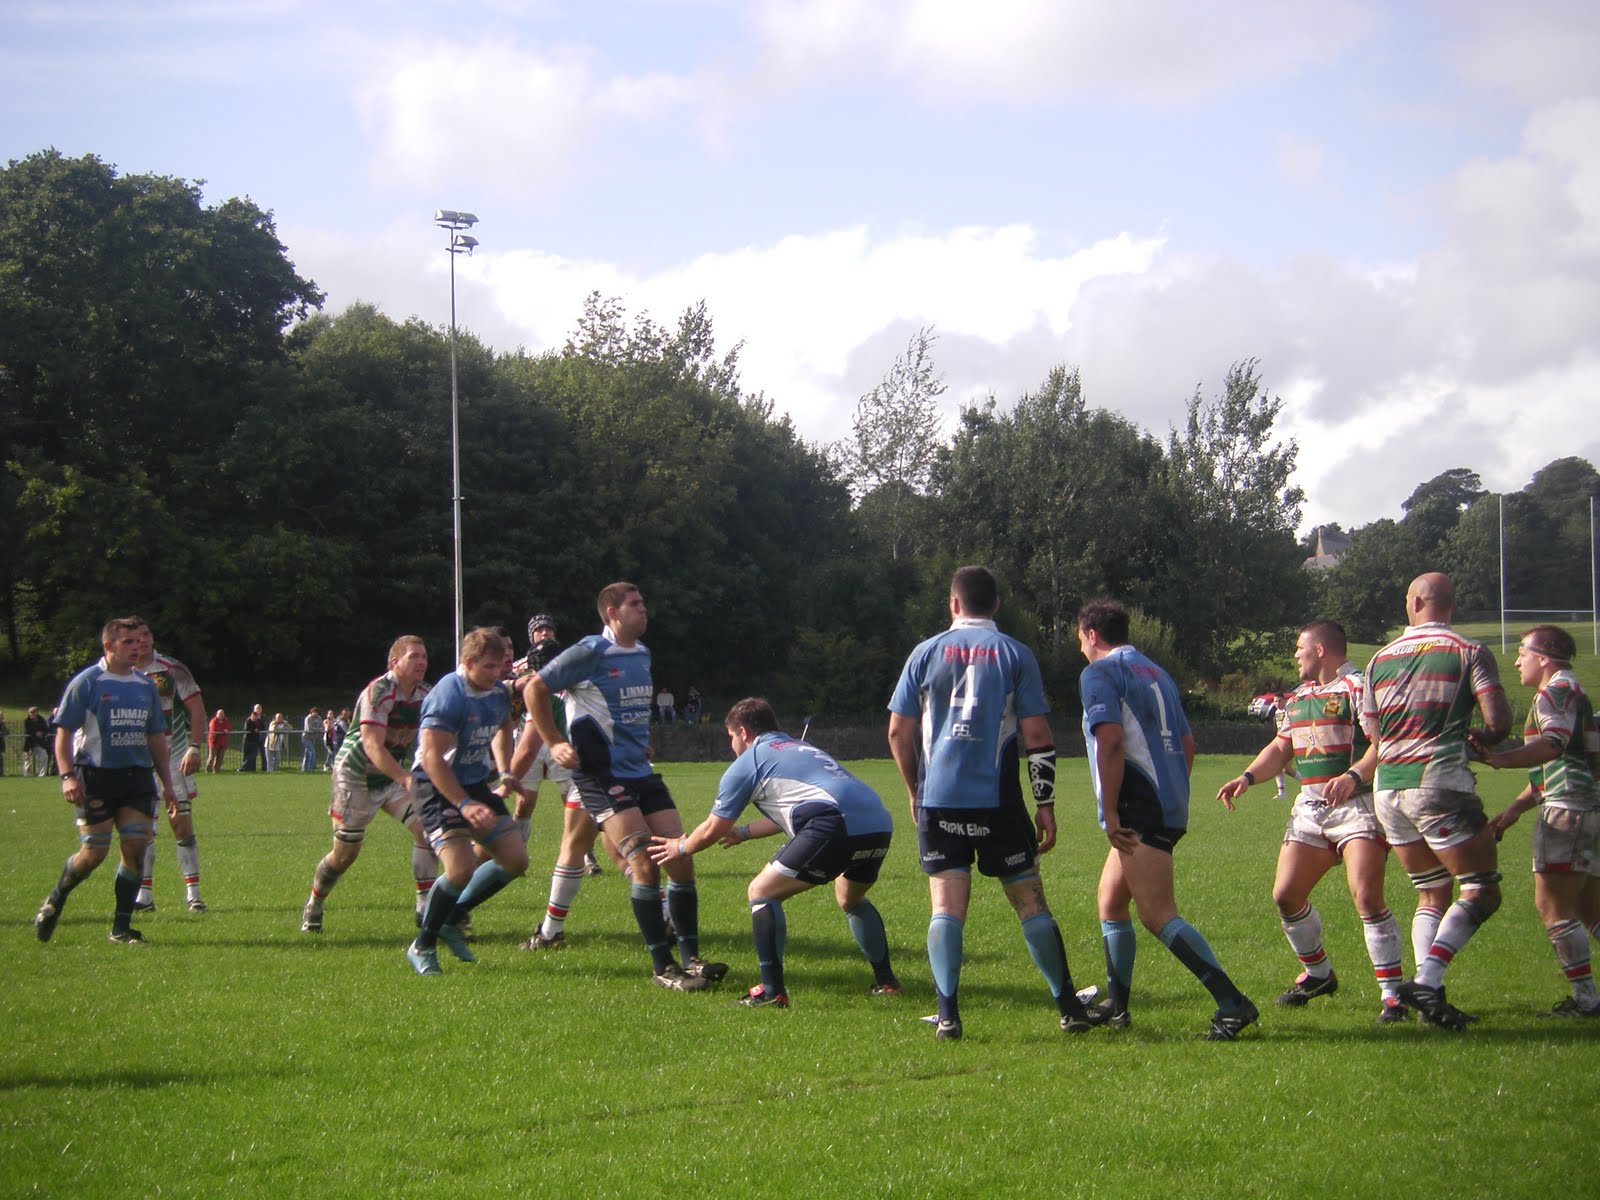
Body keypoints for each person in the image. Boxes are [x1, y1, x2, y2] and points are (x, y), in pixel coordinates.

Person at [887, 565, 1100, 1040]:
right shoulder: (1015, 654)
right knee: (1029, 900)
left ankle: (948, 1017)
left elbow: (898, 730)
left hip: (939, 800)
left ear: (953, 603)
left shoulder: (923, 654)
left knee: (945, 906)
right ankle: (1068, 1009)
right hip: (999, 801)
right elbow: (1038, 735)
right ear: (997, 605)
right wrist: (1044, 805)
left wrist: (914, 791)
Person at [512, 582, 726, 991]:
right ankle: (663, 968)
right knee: (643, 863)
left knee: (680, 857)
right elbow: (534, 687)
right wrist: (555, 741)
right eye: (635, 604)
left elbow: (625, 706)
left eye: (643, 603)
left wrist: (638, 736)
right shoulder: (590, 651)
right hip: (601, 776)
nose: (644, 610)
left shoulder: (642, 654)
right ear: (611, 612)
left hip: (640, 772)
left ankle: (691, 958)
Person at [1078, 598, 1258, 1039]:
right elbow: (1187, 743)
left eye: (1080, 638)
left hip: (1139, 806)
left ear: (1092, 634)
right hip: (1163, 800)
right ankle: (1118, 1009)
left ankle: (1232, 1003)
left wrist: (1110, 808)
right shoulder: (1157, 672)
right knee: (1111, 903)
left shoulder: (1099, 673)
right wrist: (1172, 793)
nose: (1080, 646)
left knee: (1157, 914)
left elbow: (1111, 743)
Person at [1217, 620, 1411, 1023]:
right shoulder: (1299, 696)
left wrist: (1354, 775)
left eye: (1299, 647)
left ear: (1320, 649)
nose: (1295, 654)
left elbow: (1385, 744)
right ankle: (1319, 975)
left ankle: (1394, 998)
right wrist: (1247, 777)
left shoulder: (1359, 687)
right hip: (1310, 808)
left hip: (1358, 806)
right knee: (1286, 895)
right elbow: (1281, 746)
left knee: (1366, 897)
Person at [651, 698, 899, 1007]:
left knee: (762, 891)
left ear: (742, 731)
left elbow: (713, 827)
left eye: (730, 737)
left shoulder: (749, 761)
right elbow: (796, 808)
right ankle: (887, 982)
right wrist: (743, 833)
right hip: (877, 823)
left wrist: (681, 846)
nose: (732, 744)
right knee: (850, 899)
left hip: (835, 824)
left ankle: (771, 992)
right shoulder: (799, 748)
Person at [1361, 572, 1511, 1030]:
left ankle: (1432, 999)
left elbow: (1372, 732)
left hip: (1387, 790)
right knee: (1481, 889)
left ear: (1415, 603)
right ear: (1450, 603)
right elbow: (1499, 720)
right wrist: (1481, 739)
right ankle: (1428, 979)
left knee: (1431, 891)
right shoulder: (1469, 652)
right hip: (1440, 785)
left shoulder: (1379, 659)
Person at [1478, 625, 1600, 1017]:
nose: (1516, 661)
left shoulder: (1554, 692)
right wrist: (1513, 809)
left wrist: (1496, 759)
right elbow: (1560, 765)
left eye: (1522, 652)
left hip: (1569, 810)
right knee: (1590, 910)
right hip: (1584, 806)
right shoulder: (1567, 691)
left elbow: (1553, 745)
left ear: (1543, 657)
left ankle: (1586, 1001)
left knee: (1551, 906)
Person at [33, 616, 178, 945]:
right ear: (108, 645)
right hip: (96, 777)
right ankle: (55, 900)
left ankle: (121, 928)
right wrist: (67, 776)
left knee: (136, 847)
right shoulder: (87, 682)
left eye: (138, 642)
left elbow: (156, 737)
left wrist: (167, 784)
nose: (136, 647)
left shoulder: (145, 686)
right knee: (93, 853)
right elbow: (63, 733)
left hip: (137, 778)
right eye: (128, 642)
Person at [406, 628, 529, 974]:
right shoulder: (449, 694)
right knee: (458, 868)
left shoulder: (495, 692)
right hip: (435, 784)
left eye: (500, 667)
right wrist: (463, 805)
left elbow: (504, 726)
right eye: (488, 667)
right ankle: (423, 943)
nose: (496, 675)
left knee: (516, 860)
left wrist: (504, 770)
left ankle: (452, 915)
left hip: (474, 784)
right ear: (468, 662)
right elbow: (431, 759)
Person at [301, 636, 437, 934]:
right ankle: (315, 902)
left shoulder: (427, 694)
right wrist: (404, 777)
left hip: (390, 777)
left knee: (427, 830)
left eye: (424, 657)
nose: (422, 662)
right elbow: (373, 746)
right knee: (346, 853)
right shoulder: (379, 692)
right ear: (394, 663)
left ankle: (425, 909)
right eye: (414, 656)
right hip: (355, 776)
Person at [512, 613, 611, 954]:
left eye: (547, 628)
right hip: (541, 736)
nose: (543, 632)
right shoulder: (520, 666)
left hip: (566, 742)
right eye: (537, 628)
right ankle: (517, 855)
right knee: (525, 802)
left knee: (580, 807)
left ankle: (585, 861)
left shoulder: (570, 659)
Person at [131, 625, 210, 913]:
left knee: (181, 824)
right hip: (137, 760)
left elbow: (197, 709)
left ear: (152, 638)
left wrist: (194, 747)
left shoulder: (170, 669)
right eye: (133, 639)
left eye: (145, 636)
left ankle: (193, 894)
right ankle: (144, 895)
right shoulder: (119, 674)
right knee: (142, 829)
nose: (140, 643)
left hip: (173, 757)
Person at [23, 705, 51, 776]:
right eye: (29, 712)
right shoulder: (27, 721)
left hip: (40, 743)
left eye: (32, 712)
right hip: (29, 743)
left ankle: (42, 775)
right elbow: (27, 730)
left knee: (44, 757)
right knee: (28, 760)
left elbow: (46, 730)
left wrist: (42, 733)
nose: (31, 714)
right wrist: (36, 733)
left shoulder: (42, 720)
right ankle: (27, 775)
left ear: (37, 712)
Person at [205, 709, 231, 773]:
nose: (220, 715)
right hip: (214, 742)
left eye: (222, 714)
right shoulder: (213, 721)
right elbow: (214, 729)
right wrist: (223, 730)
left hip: (222, 742)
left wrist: (226, 730)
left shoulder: (225, 721)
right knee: (211, 757)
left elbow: (229, 728)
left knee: (220, 758)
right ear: (216, 714)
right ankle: (208, 770)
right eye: (219, 714)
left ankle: (217, 771)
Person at [301, 707, 324, 773]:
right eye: (314, 713)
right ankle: (311, 768)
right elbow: (309, 728)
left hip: (313, 738)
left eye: (317, 713)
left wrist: (318, 729)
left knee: (307, 753)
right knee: (312, 752)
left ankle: (304, 768)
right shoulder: (308, 718)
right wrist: (318, 729)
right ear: (311, 713)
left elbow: (322, 727)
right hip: (306, 738)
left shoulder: (319, 718)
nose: (315, 714)